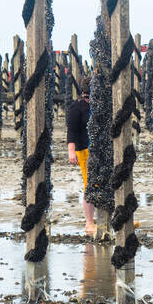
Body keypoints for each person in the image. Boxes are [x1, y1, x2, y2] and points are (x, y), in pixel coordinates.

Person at [66, 74, 95, 236]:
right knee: (89, 185)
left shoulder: (99, 106)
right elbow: (71, 131)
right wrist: (71, 151)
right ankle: (89, 223)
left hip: (99, 150)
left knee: (105, 184)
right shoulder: (76, 107)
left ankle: (110, 219)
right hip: (84, 150)